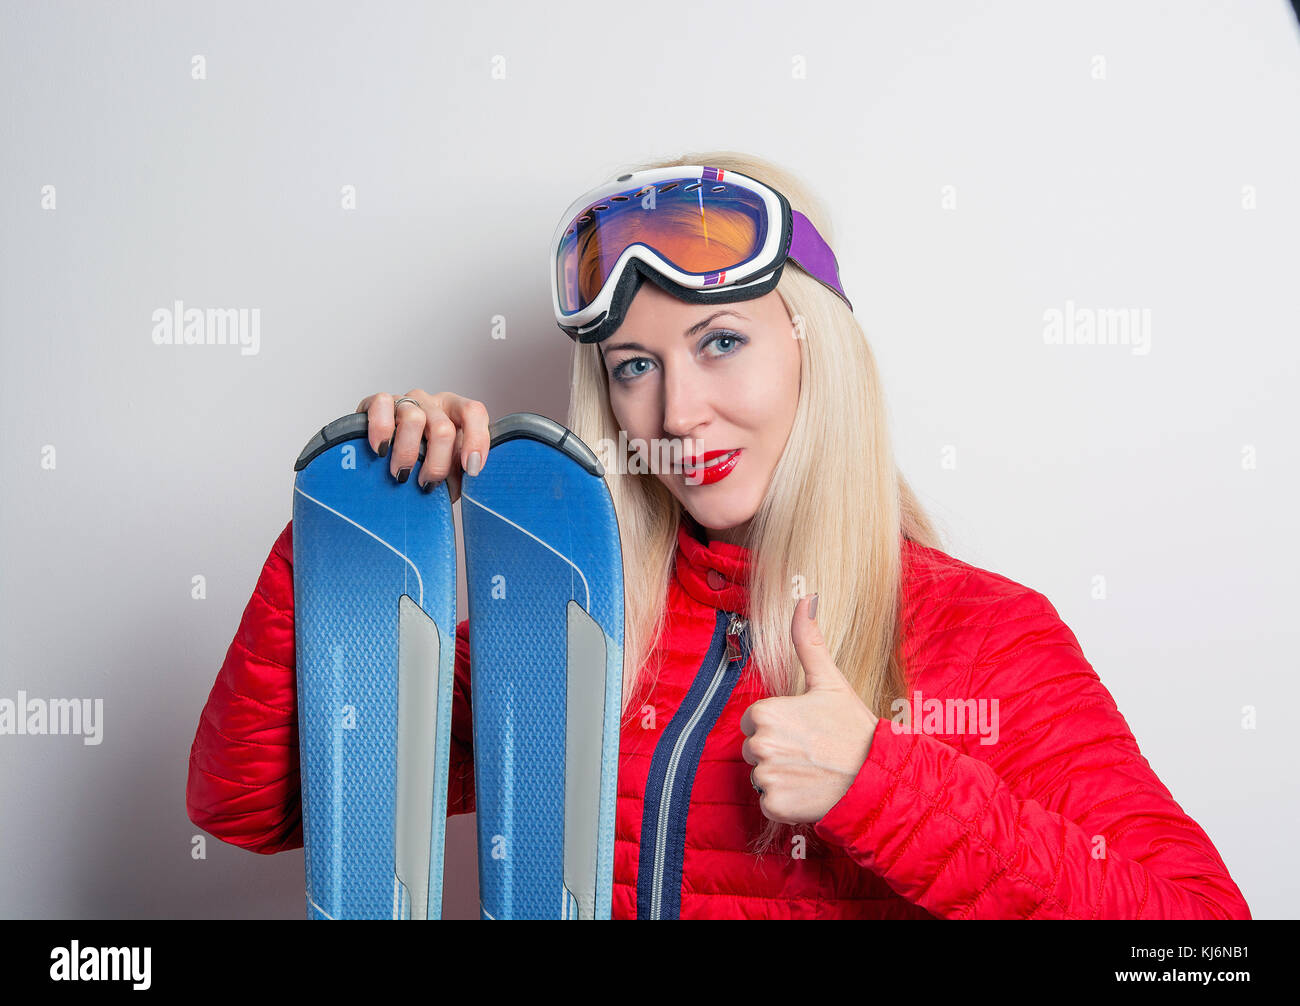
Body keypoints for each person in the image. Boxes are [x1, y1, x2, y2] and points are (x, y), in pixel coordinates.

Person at [186, 151, 1250, 919]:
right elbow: (252, 803)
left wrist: (881, 782)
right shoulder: (569, 624)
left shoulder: (980, 635)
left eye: (722, 342)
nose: (676, 411)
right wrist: (355, 536)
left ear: (814, 352)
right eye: (634, 367)